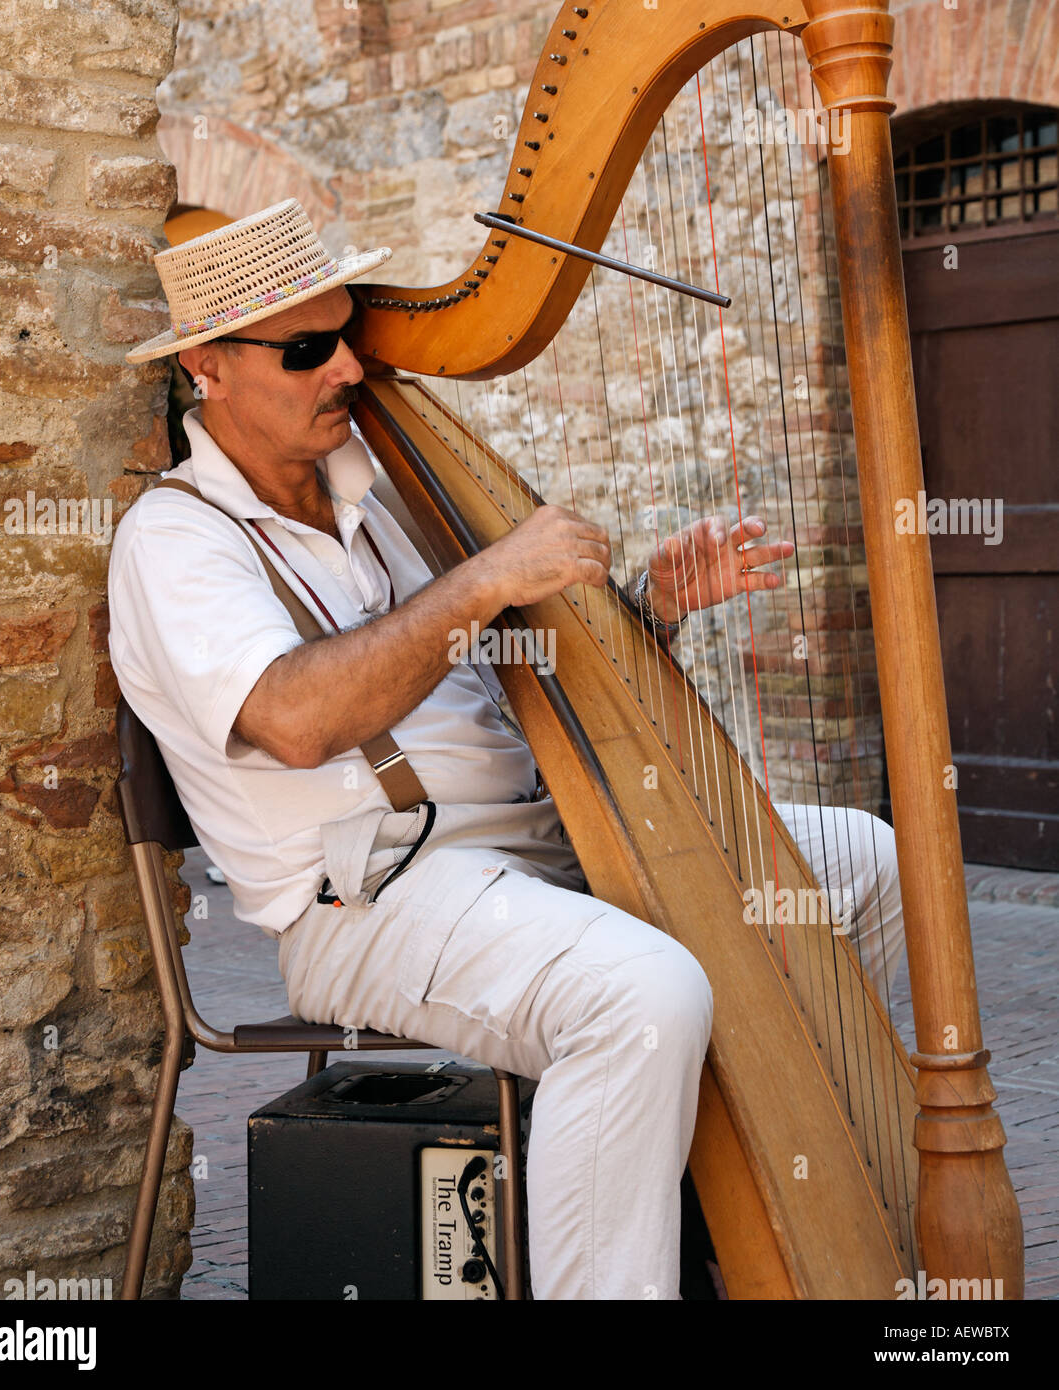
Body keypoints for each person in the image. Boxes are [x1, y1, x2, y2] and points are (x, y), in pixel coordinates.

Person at [110, 199, 904, 1300]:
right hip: (369, 898)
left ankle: (782, 1197)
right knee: (640, 992)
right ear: (208, 366)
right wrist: (485, 578)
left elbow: (513, 674)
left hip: (539, 843)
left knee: (862, 861)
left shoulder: (377, 492)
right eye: (307, 350)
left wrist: (653, 608)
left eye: (349, 337)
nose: (346, 368)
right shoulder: (178, 538)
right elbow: (294, 718)